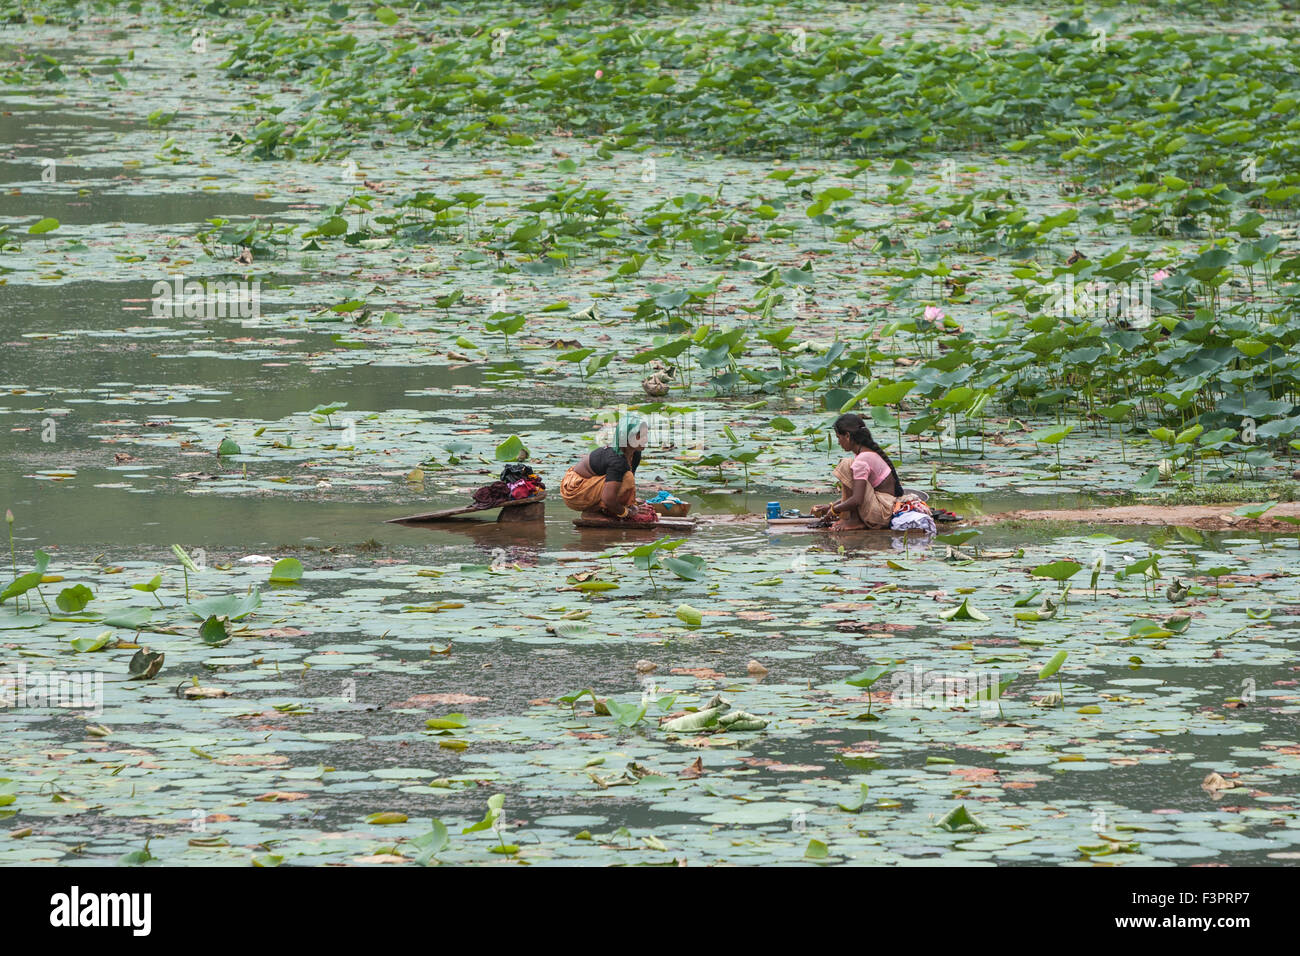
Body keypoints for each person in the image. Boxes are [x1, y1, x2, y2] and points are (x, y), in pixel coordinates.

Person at [812, 413, 906, 531]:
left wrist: (834, 510)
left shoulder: (861, 460)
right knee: (849, 465)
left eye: (838, 437)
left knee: (846, 464)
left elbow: (857, 499)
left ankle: (855, 521)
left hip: (881, 514)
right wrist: (831, 506)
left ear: (847, 435)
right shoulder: (866, 454)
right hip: (885, 510)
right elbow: (857, 493)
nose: (838, 442)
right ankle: (854, 519)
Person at [560, 414, 651, 520]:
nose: (645, 440)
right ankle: (591, 512)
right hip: (575, 490)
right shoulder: (617, 460)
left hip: (594, 485)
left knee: (627, 480)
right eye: (640, 436)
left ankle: (605, 510)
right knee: (627, 478)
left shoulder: (635, 454)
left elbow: (628, 487)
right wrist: (628, 513)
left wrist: (632, 503)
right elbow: (608, 498)